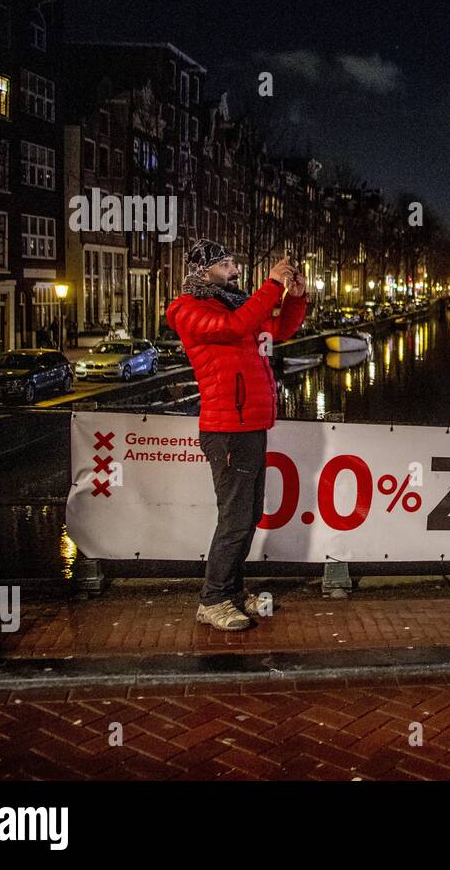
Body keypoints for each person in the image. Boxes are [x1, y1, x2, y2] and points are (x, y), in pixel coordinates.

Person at [166, 240, 308, 631]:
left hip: (252, 424)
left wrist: (295, 297)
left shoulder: (239, 305)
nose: (234, 269)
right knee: (234, 518)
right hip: (226, 429)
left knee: (248, 516)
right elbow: (233, 329)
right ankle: (212, 599)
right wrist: (271, 285)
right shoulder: (187, 309)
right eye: (225, 264)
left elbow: (278, 329)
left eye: (233, 262)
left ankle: (230, 590)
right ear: (202, 270)